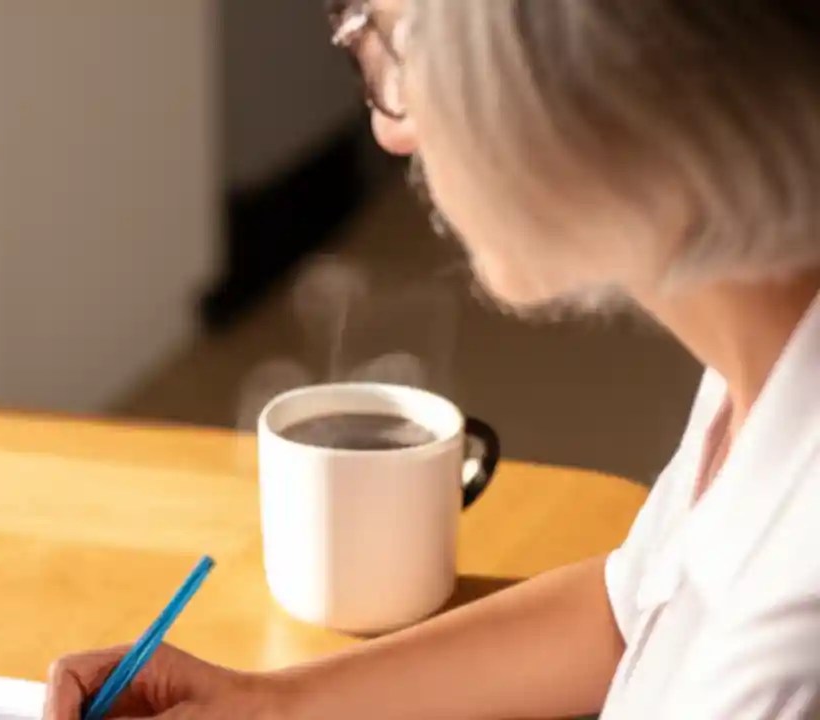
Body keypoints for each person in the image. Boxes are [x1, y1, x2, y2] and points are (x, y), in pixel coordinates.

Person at [44, 2, 820, 717]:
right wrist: (267, 705)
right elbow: (630, 614)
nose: (393, 133)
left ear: (574, 61)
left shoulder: (787, 645)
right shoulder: (764, 355)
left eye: (394, 51)